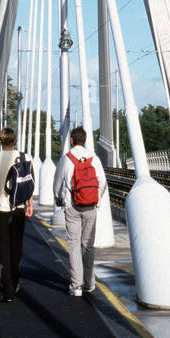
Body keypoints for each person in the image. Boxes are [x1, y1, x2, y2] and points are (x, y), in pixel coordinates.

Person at [53, 125, 107, 297]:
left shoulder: (66, 158)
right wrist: (96, 198)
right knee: (88, 245)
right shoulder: (94, 158)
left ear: (71, 141)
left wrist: (59, 199)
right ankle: (90, 283)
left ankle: (76, 286)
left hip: (72, 207)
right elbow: (103, 182)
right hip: (91, 206)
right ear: (84, 141)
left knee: (74, 245)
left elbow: (57, 184)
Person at [0, 127, 34, 302]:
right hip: (18, 208)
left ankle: (8, 289)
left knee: (2, 248)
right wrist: (29, 205)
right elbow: (28, 184)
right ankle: (15, 281)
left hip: (0, 209)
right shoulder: (25, 157)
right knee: (16, 246)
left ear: (1, 140)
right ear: (15, 140)